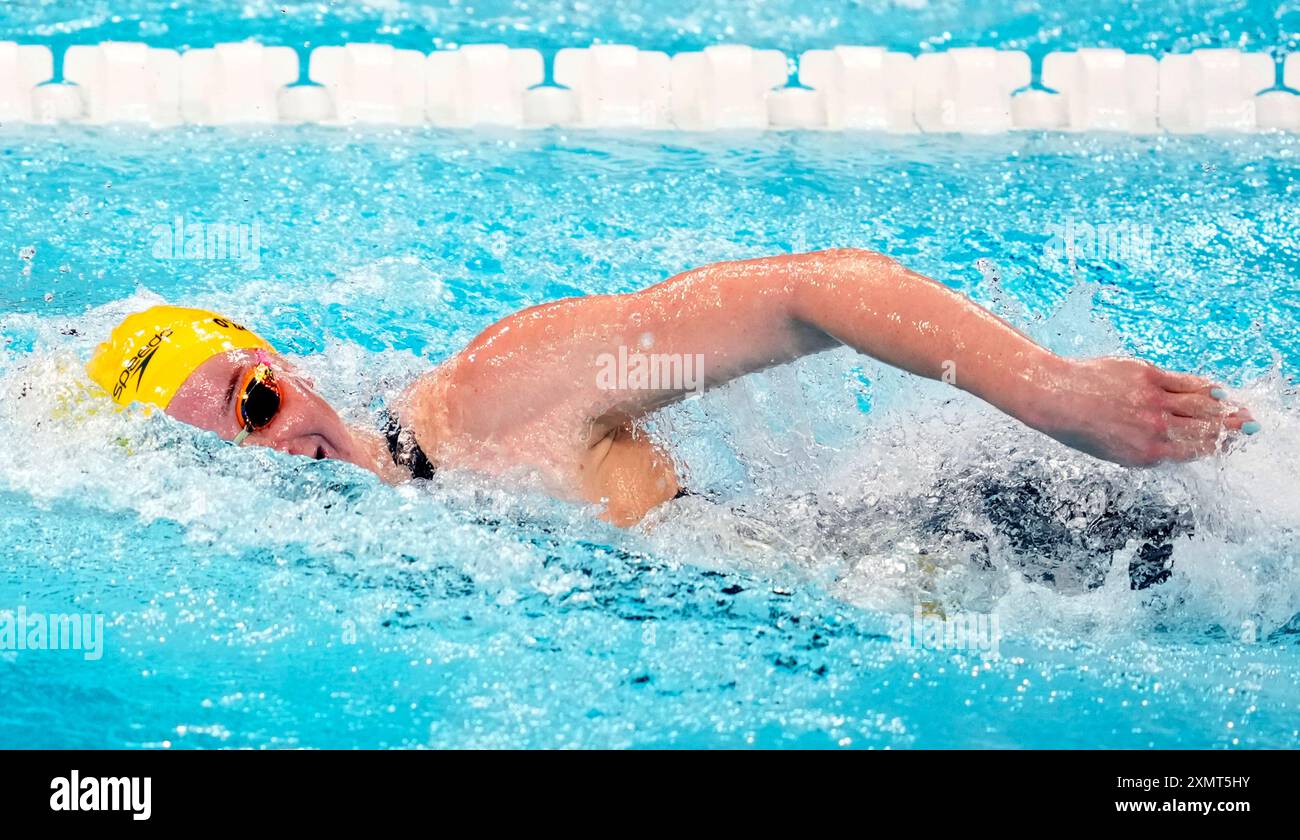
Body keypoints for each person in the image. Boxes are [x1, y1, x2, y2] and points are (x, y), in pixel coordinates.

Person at [86, 248, 1256, 529]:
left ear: (283, 371)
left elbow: (822, 289)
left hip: (1009, 531)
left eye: (253, 406)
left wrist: (1052, 391)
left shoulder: (494, 398)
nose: (278, 451)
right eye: (223, 452)